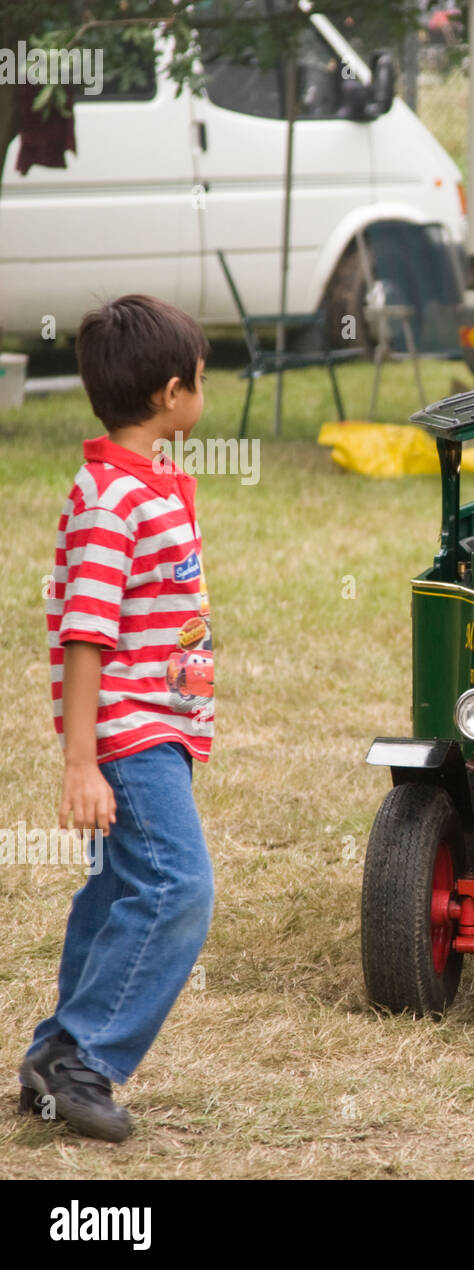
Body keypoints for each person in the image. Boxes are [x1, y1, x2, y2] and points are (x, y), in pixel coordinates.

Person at [19, 295, 217, 1140]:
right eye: (204, 379)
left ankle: (51, 1056)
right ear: (174, 392)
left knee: (117, 890)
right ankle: (86, 1059)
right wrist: (81, 760)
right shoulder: (111, 501)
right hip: (127, 737)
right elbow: (84, 635)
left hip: (156, 730)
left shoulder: (154, 479)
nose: (206, 391)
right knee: (179, 888)